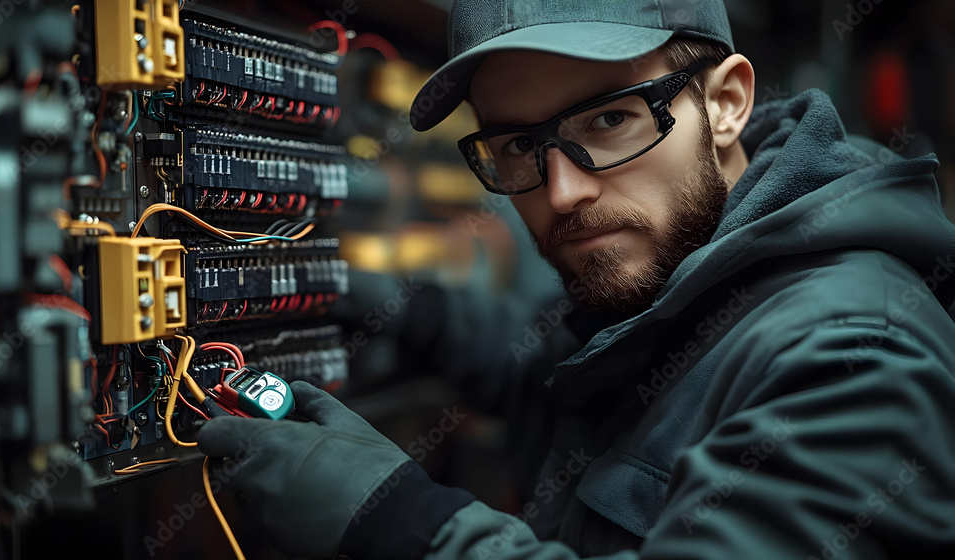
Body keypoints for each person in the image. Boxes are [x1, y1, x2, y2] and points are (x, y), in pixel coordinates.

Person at [197, 0, 955, 558]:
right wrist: (391, 306)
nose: (562, 193)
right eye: (519, 146)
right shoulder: (689, 290)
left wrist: (401, 526)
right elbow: (565, 383)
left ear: (725, 104)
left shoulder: (855, 358)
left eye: (609, 120)